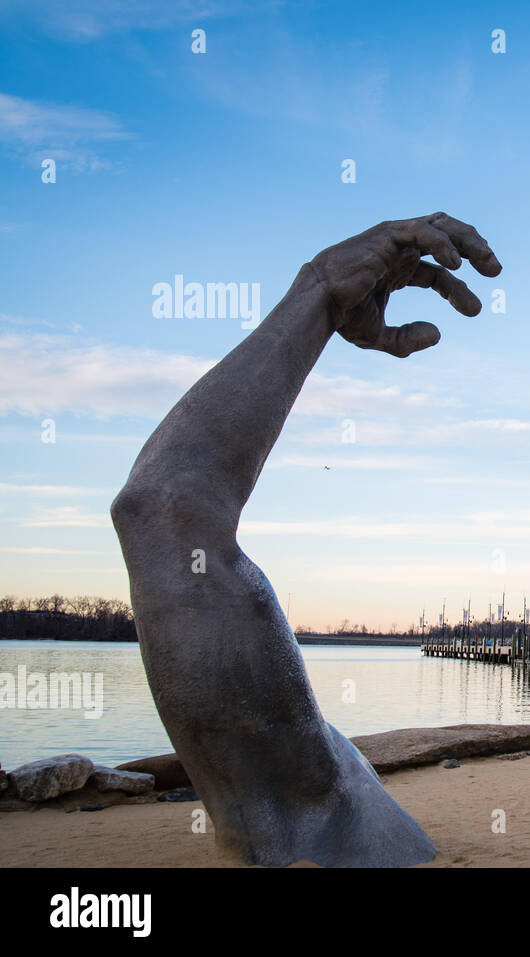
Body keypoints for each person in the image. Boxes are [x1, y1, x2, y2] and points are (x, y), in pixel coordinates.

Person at [111, 214, 501, 866]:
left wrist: (318, 294)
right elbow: (165, 511)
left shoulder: (315, 800)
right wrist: (317, 297)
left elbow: (163, 508)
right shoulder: (325, 772)